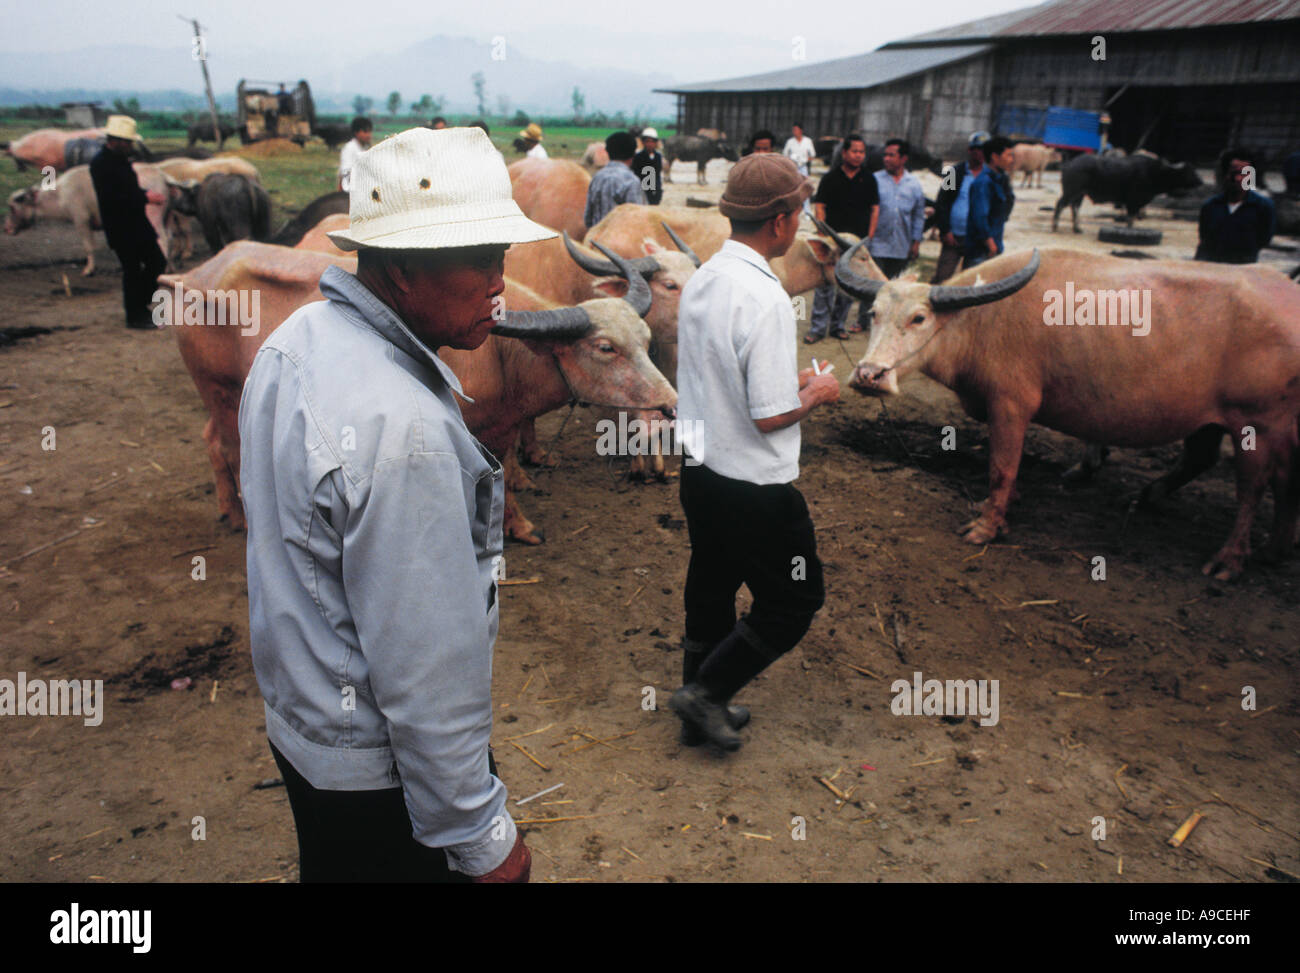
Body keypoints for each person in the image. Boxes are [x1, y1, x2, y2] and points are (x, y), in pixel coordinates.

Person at [239, 127, 553, 883]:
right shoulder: (404, 430)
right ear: (405, 268)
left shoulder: (294, 342)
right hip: (383, 782)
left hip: (308, 732)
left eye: (501, 259)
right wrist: (479, 834)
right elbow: (425, 670)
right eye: (480, 260)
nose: (498, 286)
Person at [670, 152, 839, 752]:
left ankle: (697, 711)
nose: (802, 222)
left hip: (703, 470)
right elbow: (769, 417)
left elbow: (726, 380)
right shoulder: (766, 297)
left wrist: (787, 383)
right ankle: (706, 694)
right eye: (800, 211)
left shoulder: (706, 279)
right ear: (780, 220)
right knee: (795, 598)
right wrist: (817, 390)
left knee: (711, 586)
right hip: (754, 487)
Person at [89, 115, 167, 329]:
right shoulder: (101, 164)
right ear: (117, 141)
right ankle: (135, 315)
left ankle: (140, 306)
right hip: (121, 227)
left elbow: (127, 190)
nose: (132, 146)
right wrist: (145, 198)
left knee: (156, 261)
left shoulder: (119, 161)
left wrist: (144, 193)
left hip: (136, 224)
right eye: (129, 142)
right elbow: (113, 198)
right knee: (132, 270)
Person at [806, 133, 878, 342]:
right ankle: (817, 329)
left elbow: (875, 209)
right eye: (854, 151)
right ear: (844, 153)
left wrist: (870, 235)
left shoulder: (869, 179)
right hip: (833, 241)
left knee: (848, 287)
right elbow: (820, 205)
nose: (858, 156)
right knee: (825, 285)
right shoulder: (830, 178)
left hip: (856, 242)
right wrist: (822, 232)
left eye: (862, 152)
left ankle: (838, 326)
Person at [1195, 147, 1275, 264]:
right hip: (1211, 267)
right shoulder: (1210, 206)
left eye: (1245, 174)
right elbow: (1204, 237)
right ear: (1225, 174)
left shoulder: (1263, 207)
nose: (1239, 179)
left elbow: (1264, 239)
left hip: (1243, 268)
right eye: (1235, 173)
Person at [931, 131, 989, 283]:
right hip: (954, 237)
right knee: (943, 279)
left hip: (978, 241)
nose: (982, 154)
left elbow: (1004, 204)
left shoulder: (993, 176)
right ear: (970, 151)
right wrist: (945, 230)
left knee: (973, 283)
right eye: (978, 149)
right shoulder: (954, 172)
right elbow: (942, 202)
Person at [868, 138, 927, 279]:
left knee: (894, 290)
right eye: (885, 155)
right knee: (873, 289)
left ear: (903, 158)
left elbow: (918, 215)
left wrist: (916, 242)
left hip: (901, 248)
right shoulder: (874, 180)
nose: (886, 159)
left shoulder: (914, 184)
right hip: (876, 247)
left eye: (891, 155)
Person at [964, 135, 1015, 268]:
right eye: (1008, 155)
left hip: (993, 244)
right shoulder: (982, 182)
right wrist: (990, 243)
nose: (1011, 160)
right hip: (980, 247)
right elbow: (980, 216)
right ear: (994, 157)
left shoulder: (1001, 179)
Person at [584, 130, 645, 227]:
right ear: (633, 154)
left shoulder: (597, 178)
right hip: (621, 239)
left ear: (608, 152)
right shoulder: (631, 181)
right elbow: (636, 220)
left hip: (595, 239)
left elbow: (588, 217)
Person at [784, 123, 817, 216]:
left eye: (796, 130)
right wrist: (791, 159)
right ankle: (792, 210)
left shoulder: (807, 141)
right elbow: (785, 154)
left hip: (803, 166)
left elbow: (813, 155)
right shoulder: (790, 142)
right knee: (793, 187)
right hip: (793, 166)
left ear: (801, 130)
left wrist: (806, 159)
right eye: (793, 130)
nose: (794, 132)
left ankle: (807, 211)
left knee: (805, 187)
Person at [338, 116, 373, 192]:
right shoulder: (349, 148)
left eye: (370, 132)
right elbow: (345, 171)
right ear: (356, 132)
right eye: (365, 131)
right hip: (350, 189)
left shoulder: (366, 148)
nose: (368, 135)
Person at [633, 127, 664, 205]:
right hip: (642, 191)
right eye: (647, 141)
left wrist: (658, 190)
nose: (649, 144)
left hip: (655, 191)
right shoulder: (638, 157)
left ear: (656, 143)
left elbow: (657, 174)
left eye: (652, 142)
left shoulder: (658, 156)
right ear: (643, 142)